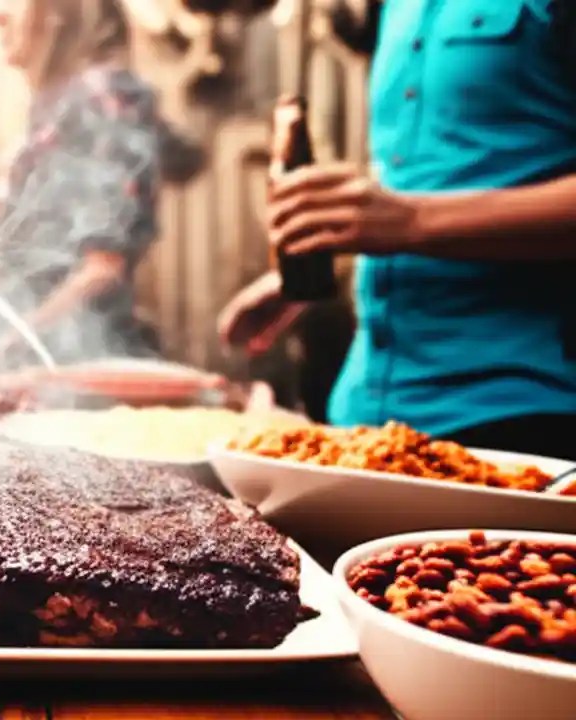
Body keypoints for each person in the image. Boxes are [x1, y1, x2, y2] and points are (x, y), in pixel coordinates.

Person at [218, 0, 576, 458]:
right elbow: (432, 173)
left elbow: (413, 213)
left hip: (523, 421)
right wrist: (331, 247)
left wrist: (412, 220)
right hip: (363, 421)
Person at [0, 0, 202, 368]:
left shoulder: (101, 96)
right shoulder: (54, 106)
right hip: (43, 363)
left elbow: (100, 270)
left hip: (82, 366)